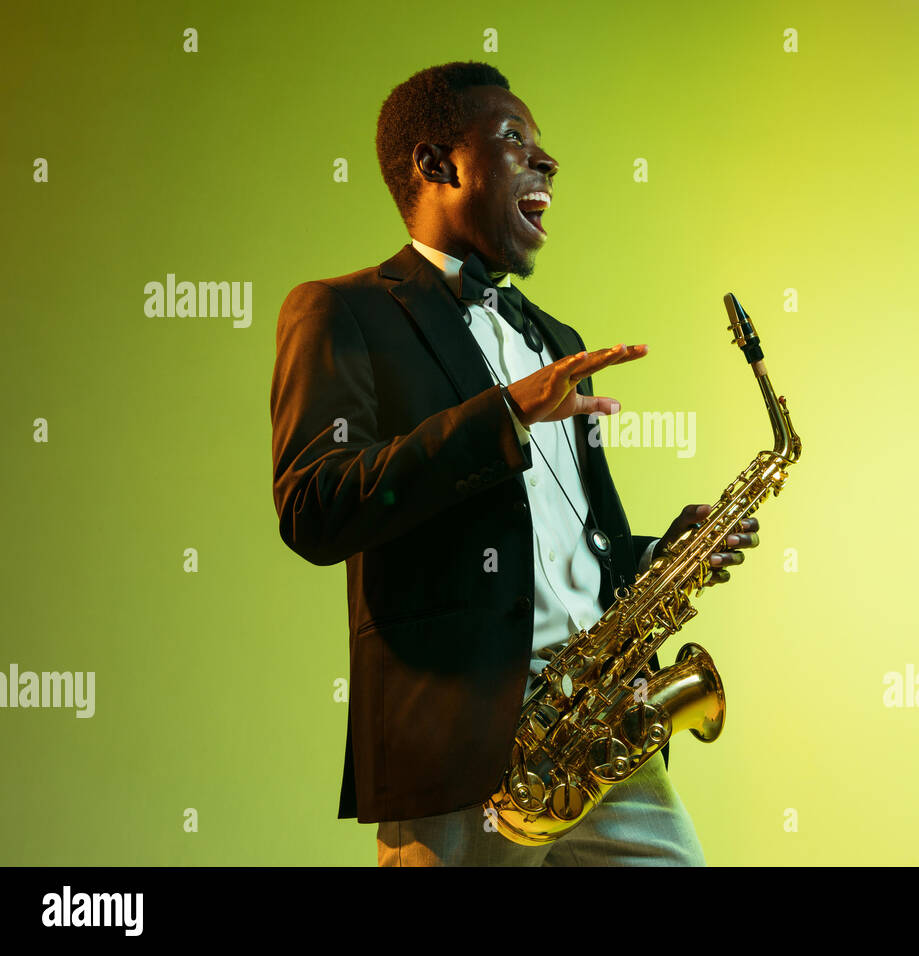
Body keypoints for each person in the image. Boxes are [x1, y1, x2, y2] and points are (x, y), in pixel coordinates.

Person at [269, 61, 760, 866]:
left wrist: (656, 557)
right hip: (459, 741)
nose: (548, 161)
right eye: (514, 139)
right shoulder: (341, 311)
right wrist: (505, 414)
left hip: (601, 725)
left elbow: (562, 546)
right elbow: (315, 507)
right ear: (436, 165)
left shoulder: (558, 344)